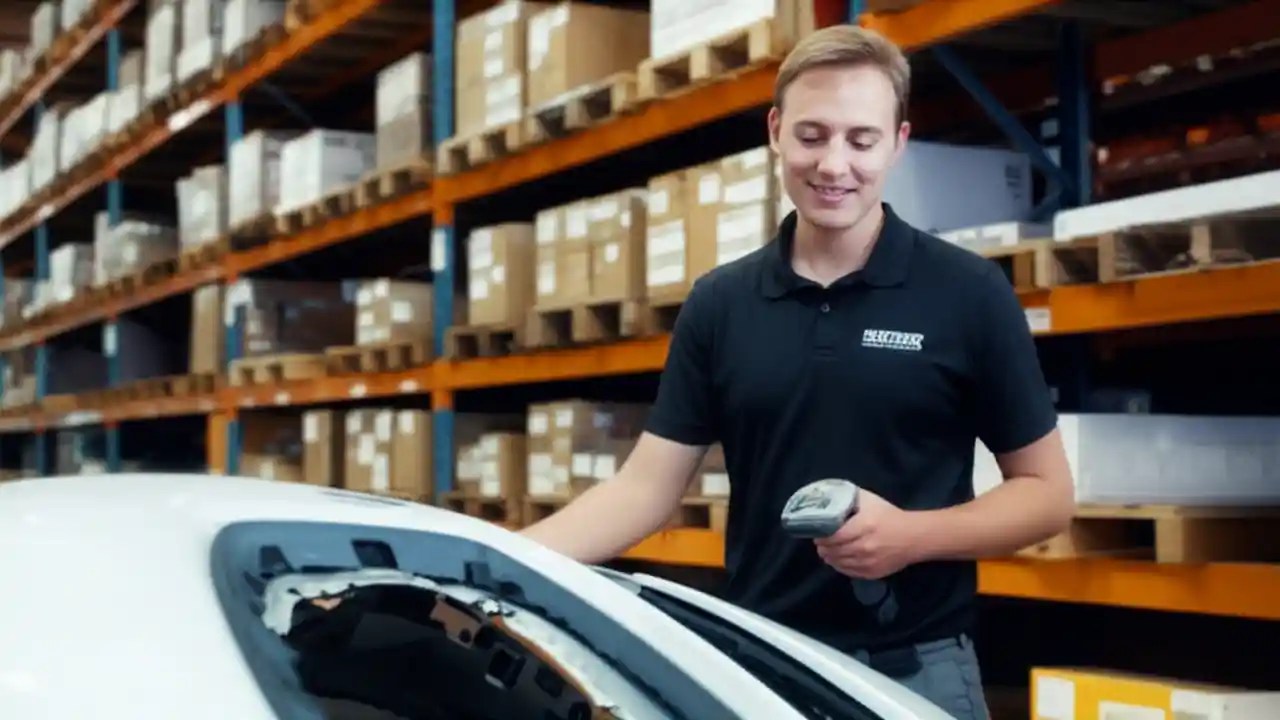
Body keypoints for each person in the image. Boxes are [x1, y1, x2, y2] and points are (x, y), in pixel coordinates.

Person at [519, 23, 1075, 720]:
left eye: (861, 140)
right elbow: (644, 490)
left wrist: (910, 536)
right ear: (776, 131)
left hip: (916, 672)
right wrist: (499, 559)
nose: (834, 165)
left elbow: (1047, 495)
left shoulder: (967, 294)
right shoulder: (721, 303)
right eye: (812, 136)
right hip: (758, 664)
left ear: (898, 143)